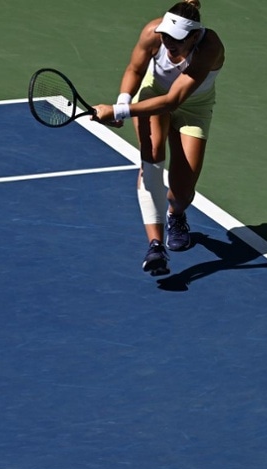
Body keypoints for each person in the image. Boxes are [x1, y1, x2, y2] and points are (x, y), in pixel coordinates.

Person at [91, 0, 225, 276]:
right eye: (165, 35)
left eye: (175, 39)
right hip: (151, 98)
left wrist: (118, 111)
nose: (167, 42)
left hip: (192, 109)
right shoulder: (153, 33)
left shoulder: (209, 47)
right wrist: (123, 99)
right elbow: (135, 69)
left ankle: (176, 215)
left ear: (193, 36)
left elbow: (173, 100)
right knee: (151, 162)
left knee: (183, 190)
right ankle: (155, 246)